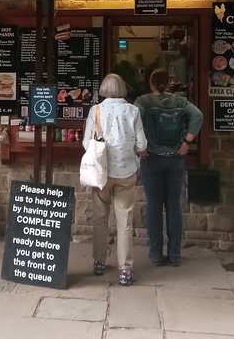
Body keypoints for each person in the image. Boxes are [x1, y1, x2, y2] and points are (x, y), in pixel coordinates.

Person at [82, 73, 147, 286]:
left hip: (101, 173)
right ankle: (125, 270)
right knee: (125, 221)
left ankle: (99, 262)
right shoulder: (133, 111)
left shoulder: (96, 110)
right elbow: (142, 145)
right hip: (126, 172)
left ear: (103, 89)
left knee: (100, 218)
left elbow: (86, 143)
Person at [136, 68, 203, 266]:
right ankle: (175, 255)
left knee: (154, 206)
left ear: (151, 84)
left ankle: (156, 255)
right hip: (175, 158)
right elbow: (198, 115)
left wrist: (140, 145)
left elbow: (133, 119)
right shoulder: (180, 101)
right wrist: (187, 141)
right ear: (168, 83)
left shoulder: (143, 101)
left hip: (151, 158)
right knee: (174, 206)